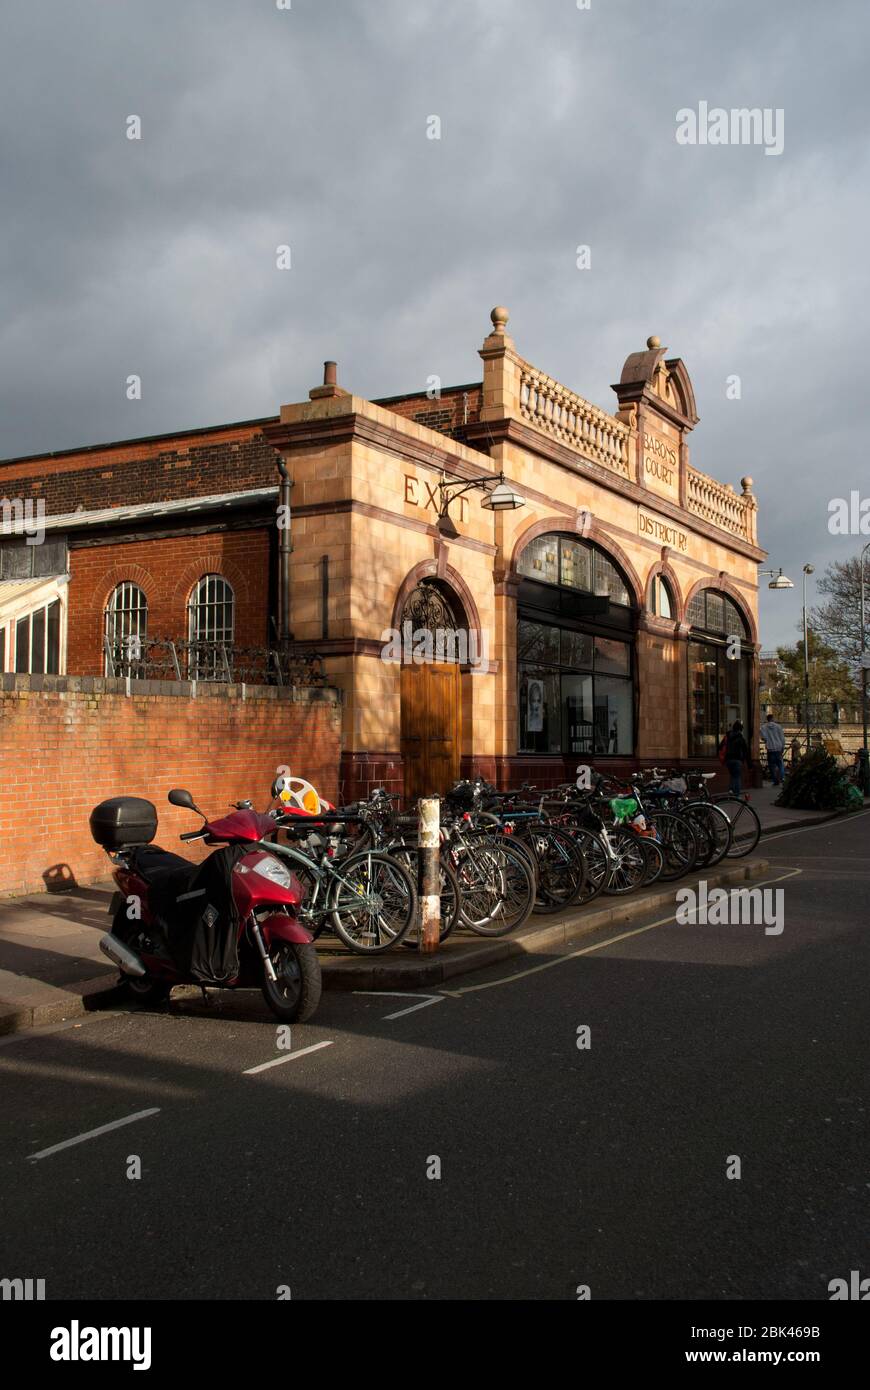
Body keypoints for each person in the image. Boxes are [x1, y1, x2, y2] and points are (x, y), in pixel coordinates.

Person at [720, 719, 752, 796]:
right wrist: (749, 764)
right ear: (740, 730)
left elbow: (720, 746)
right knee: (737, 776)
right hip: (737, 760)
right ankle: (736, 794)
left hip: (728, 760)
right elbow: (746, 751)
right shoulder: (741, 739)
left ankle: (731, 789)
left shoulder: (727, 737)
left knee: (732, 775)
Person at [759, 713, 786, 786]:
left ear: (767, 719)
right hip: (778, 748)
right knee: (780, 764)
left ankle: (775, 780)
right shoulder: (778, 727)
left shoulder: (763, 727)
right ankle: (782, 777)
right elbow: (782, 738)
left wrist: (767, 740)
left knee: (771, 766)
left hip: (770, 749)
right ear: (773, 718)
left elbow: (764, 738)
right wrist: (783, 746)